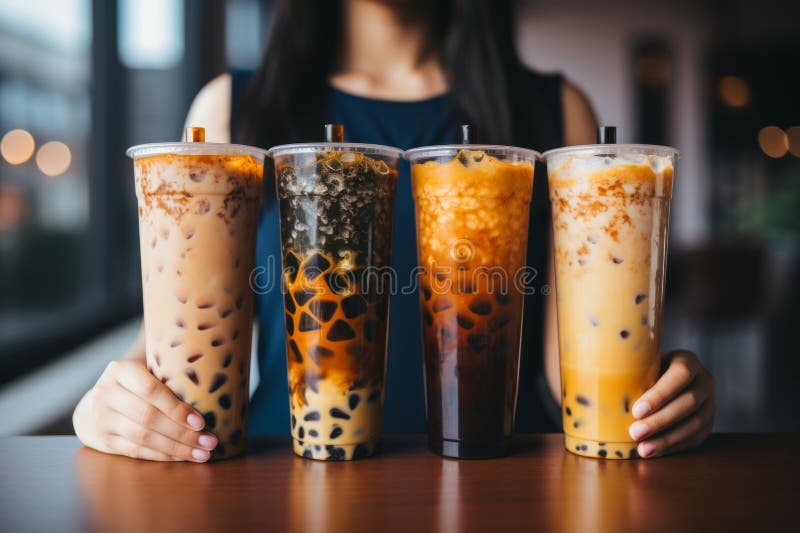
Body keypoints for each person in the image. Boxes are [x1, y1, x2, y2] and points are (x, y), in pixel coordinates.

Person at [73, 0, 715, 462]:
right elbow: (174, 344)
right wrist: (105, 410)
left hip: (505, 481)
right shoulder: (232, 109)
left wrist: (660, 398)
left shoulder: (554, 109)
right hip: (283, 478)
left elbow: (573, 365)